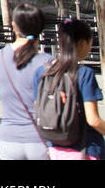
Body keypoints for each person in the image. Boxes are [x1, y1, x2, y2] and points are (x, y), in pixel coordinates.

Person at [33, 17, 105, 160]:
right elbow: (93, 120)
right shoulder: (84, 74)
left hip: (54, 150)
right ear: (83, 43)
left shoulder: (42, 72)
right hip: (86, 150)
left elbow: (38, 110)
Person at [0, 2, 52, 159]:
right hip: (40, 139)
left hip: (9, 138)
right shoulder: (48, 62)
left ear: (14, 26)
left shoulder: (0, 57)